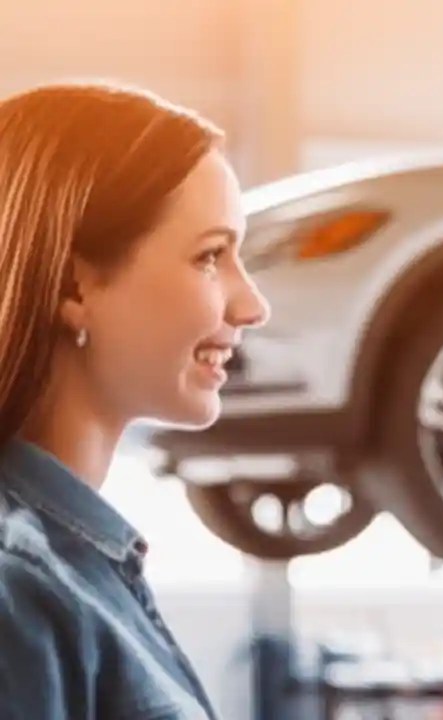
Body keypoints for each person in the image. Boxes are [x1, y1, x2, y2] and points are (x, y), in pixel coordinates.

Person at [0, 83, 269, 718]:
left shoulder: (74, 569)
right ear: (75, 285)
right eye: (210, 256)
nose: (252, 305)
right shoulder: (21, 592)